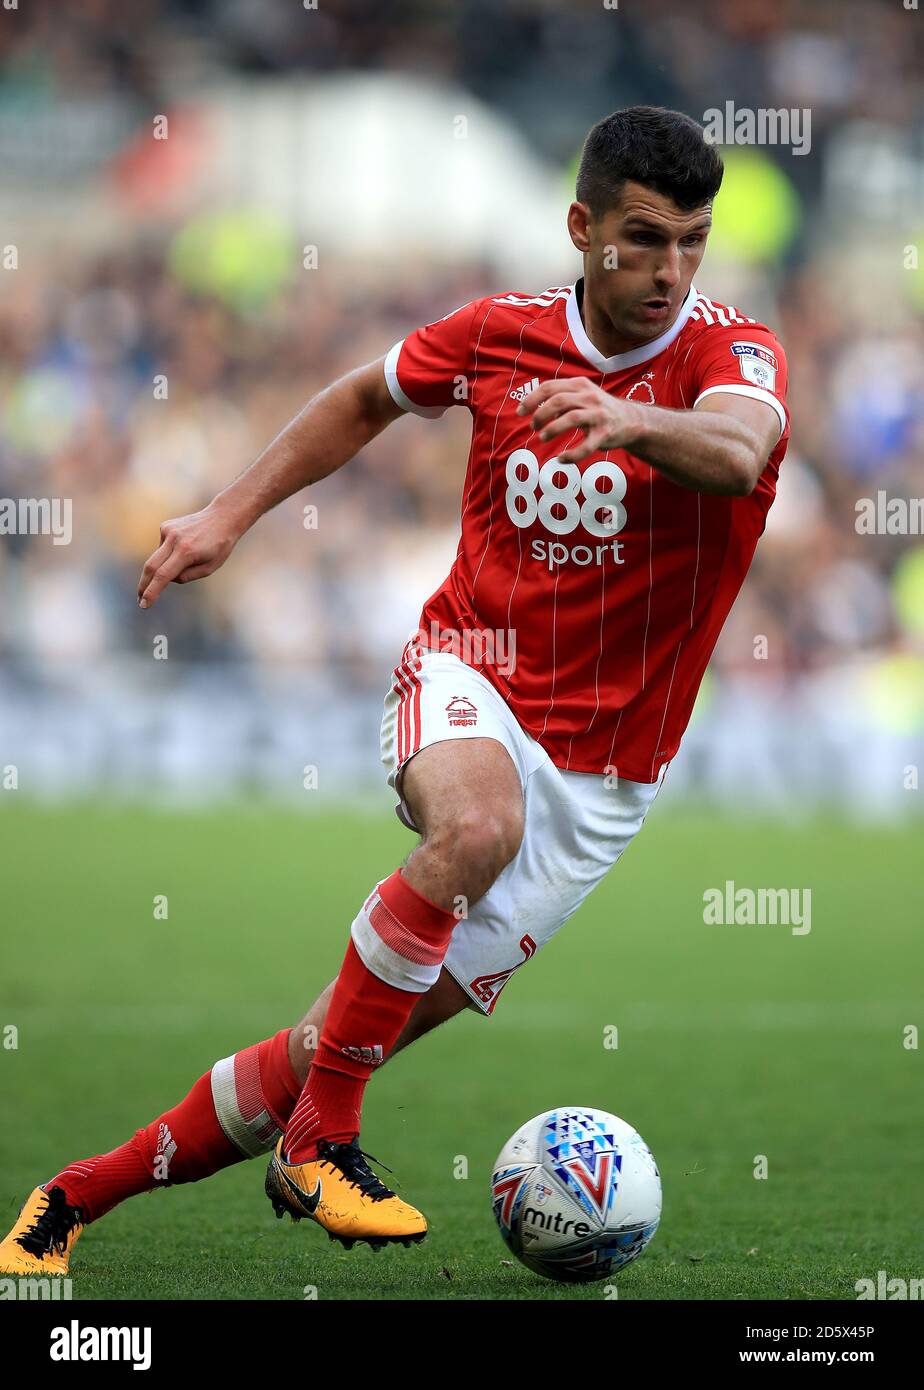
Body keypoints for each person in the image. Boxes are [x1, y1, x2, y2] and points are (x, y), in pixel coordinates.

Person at [0, 105, 789, 1274]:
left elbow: (740, 452)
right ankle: (328, 1147)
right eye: (642, 237)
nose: (671, 268)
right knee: (476, 822)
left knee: (333, 1042)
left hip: (604, 780)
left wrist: (629, 418)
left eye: (691, 240)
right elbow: (364, 396)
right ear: (581, 227)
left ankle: (69, 1199)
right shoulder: (496, 334)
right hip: (470, 671)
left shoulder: (729, 352)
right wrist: (228, 513)